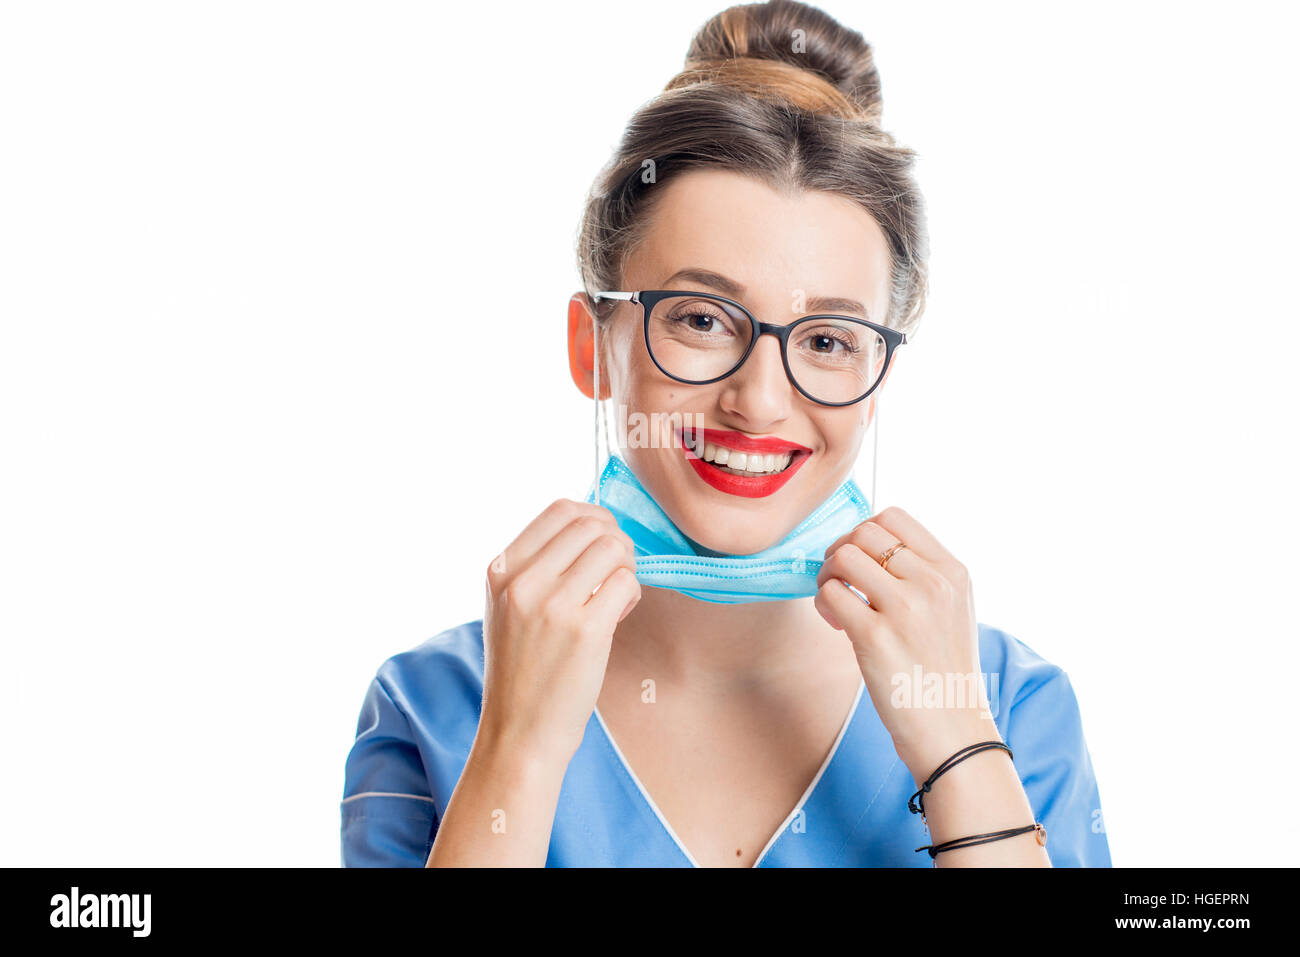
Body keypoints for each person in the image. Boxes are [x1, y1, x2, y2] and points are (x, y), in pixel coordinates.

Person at [341, 0, 1112, 868]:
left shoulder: (1011, 703)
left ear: (878, 377)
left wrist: (961, 750)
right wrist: (518, 751)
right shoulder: (434, 710)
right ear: (593, 344)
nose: (761, 400)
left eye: (827, 341)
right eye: (702, 319)